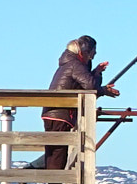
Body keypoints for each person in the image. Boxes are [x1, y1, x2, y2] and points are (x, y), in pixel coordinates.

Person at [43, 36, 119, 170]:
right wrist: (103, 88)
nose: (94, 55)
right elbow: (91, 86)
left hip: (54, 112)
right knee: (58, 151)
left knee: (55, 150)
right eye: (92, 51)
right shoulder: (75, 65)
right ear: (85, 51)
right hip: (60, 113)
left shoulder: (70, 64)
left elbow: (87, 86)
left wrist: (96, 73)